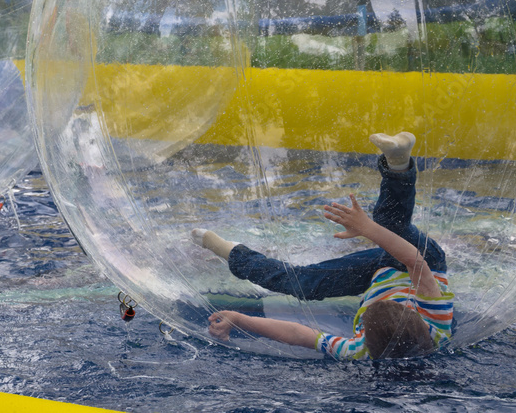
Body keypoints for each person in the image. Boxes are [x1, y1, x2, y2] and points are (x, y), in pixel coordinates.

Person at [193, 132, 454, 359]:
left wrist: (239, 320)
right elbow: (413, 261)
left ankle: (231, 251)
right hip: (423, 263)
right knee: (389, 224)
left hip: (377, 271)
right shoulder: (436, 322)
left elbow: (300, 335)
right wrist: (366, 228)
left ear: (365, 333)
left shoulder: (359, 350)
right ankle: (398, 162)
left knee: (302, 283)